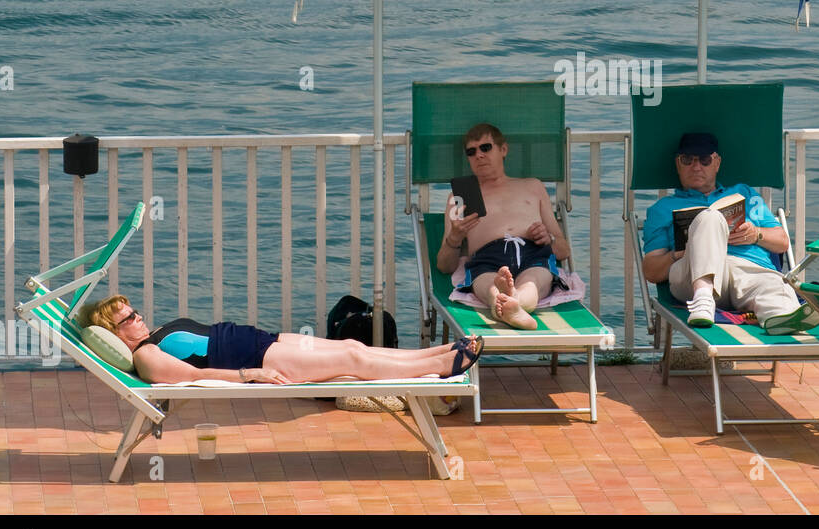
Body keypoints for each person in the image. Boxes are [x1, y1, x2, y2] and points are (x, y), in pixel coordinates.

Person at [79, 295, 482, 384]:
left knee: (352, 348)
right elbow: (189, 376)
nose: (139, 316)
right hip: (264, 357)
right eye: (129, 318)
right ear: (118, 335)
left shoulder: (154, 336)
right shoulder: (148, 355)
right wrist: (251, 374)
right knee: (353, 363)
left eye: (134, 310)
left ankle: (437, 351)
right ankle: (439, 368)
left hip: (265, 339)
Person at [641, 132, 810, 330]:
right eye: (687, 160)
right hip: (691, 274)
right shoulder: (662, 209)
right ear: (678, 164)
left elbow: (782, 241)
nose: (696, 167)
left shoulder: (744, 193)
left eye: (704, 160)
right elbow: (651, 271)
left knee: (774, 287)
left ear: (717, 163)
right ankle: (704, 299)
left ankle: (781, 316)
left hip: (748, 271)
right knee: (710, 217)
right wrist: (679, 253)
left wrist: (756, 234)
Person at [436, 122, 571, 330]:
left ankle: (513, 302)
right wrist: (454, 238)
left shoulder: (531, 186)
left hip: (533, 254)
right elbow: (445, 266)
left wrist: (548, 239)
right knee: (489, 286)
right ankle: (507, 303)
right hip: (486, 260)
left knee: (532, 283)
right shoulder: (461, 195)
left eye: (486, 147)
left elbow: (563, 250)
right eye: (471, 152)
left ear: (504, 149)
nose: (479, 155)